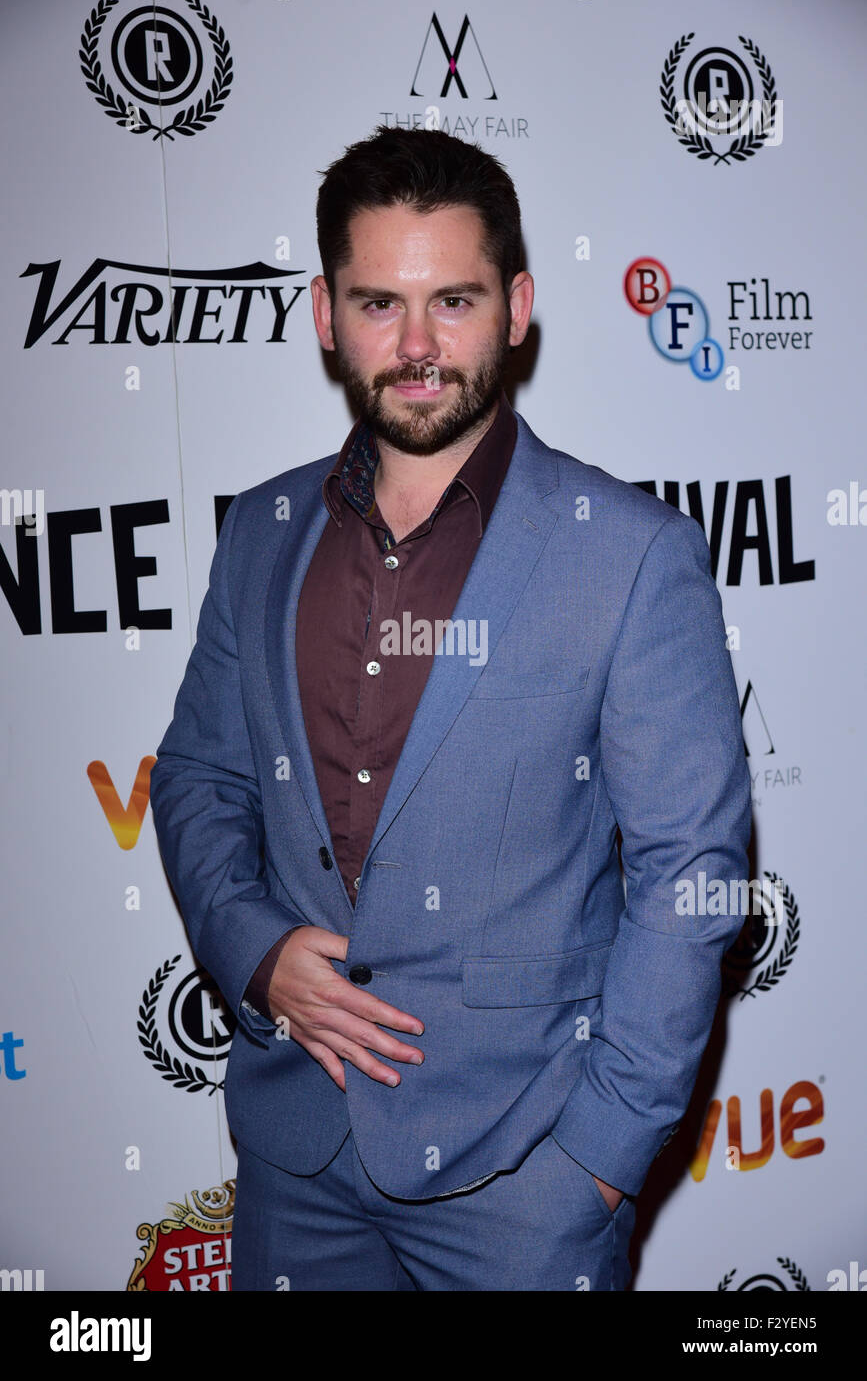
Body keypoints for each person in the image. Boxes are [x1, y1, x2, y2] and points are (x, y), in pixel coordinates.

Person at [150, 125, 751, 1291]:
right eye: (380, 304)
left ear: (517, 307)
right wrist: (253, 948)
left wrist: (600, 1161)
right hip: (294, 1158)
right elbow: (198, 777)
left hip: (525, 1179)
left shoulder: (631, 556)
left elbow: (692, 871)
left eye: (455, 301)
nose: (418, 347)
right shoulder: (260, 536)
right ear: (326, 315)